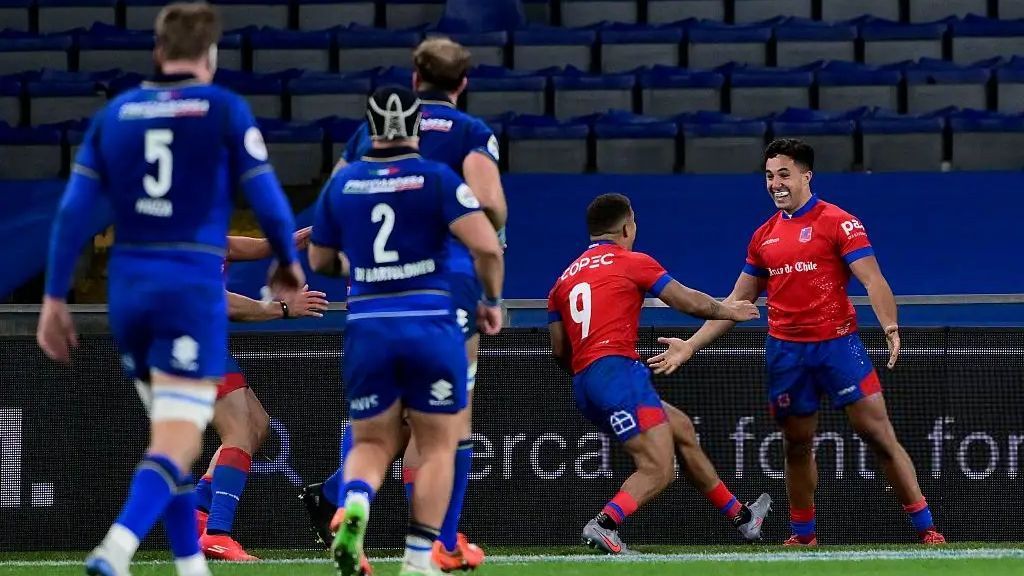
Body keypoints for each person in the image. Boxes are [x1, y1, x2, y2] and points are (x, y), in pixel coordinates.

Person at [35, 3, 303, 575]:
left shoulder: (117, 113)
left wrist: (54, 298)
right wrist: (287, 260)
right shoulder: (223, 108)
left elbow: (73, 213)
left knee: (174, 438)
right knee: (179, 442)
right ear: (211, 57)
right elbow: (267, 196)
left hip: (129, 293)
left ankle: (190, 561)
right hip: (186, 293)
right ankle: (117, 547)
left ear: (158, 52)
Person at [649, 138, 946, 546]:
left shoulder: (839, 222)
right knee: (796, 446)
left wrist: (890, 326)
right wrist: (690, 344)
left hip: (839, 348)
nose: (775, 184)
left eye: (784, 175)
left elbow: (872, 279)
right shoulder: (763, 237)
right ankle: (804, 536)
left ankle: (927, 528)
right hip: (786, 355)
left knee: (879, 437)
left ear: (807, 176)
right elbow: (735, 303)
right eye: (769, 176)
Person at [304, 36, 504, 571]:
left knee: (374, 432)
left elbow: (326, 231)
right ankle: (439, 544)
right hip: (442, 292)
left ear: (416, 78)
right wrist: (487, 283)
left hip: (370, 300)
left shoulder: (358, 147)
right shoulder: (466, 137)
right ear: (463, 83)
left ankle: (348, 502)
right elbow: (491, 212)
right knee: (446, 430)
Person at [547, 193, 770, 555]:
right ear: (627, 227)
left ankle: (743, 518)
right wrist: (729, 311)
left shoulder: (562, 281)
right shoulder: (633, 261)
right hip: (618, 374)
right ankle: (605, 524)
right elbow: (686, 300)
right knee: (659, 468)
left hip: (585, 382)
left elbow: (559, 350)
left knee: (680, 428)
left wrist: (593, 373)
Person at [194, 229, 328, 562]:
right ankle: (217, 533)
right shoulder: (182, 234)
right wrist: (282, 308)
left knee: (257, 426)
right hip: (186, 341)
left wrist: (287, 241)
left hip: (205, 340)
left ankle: (198, 514)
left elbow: (248, 246)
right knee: (238, 432)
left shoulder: (206, 229)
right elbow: (214, 299)